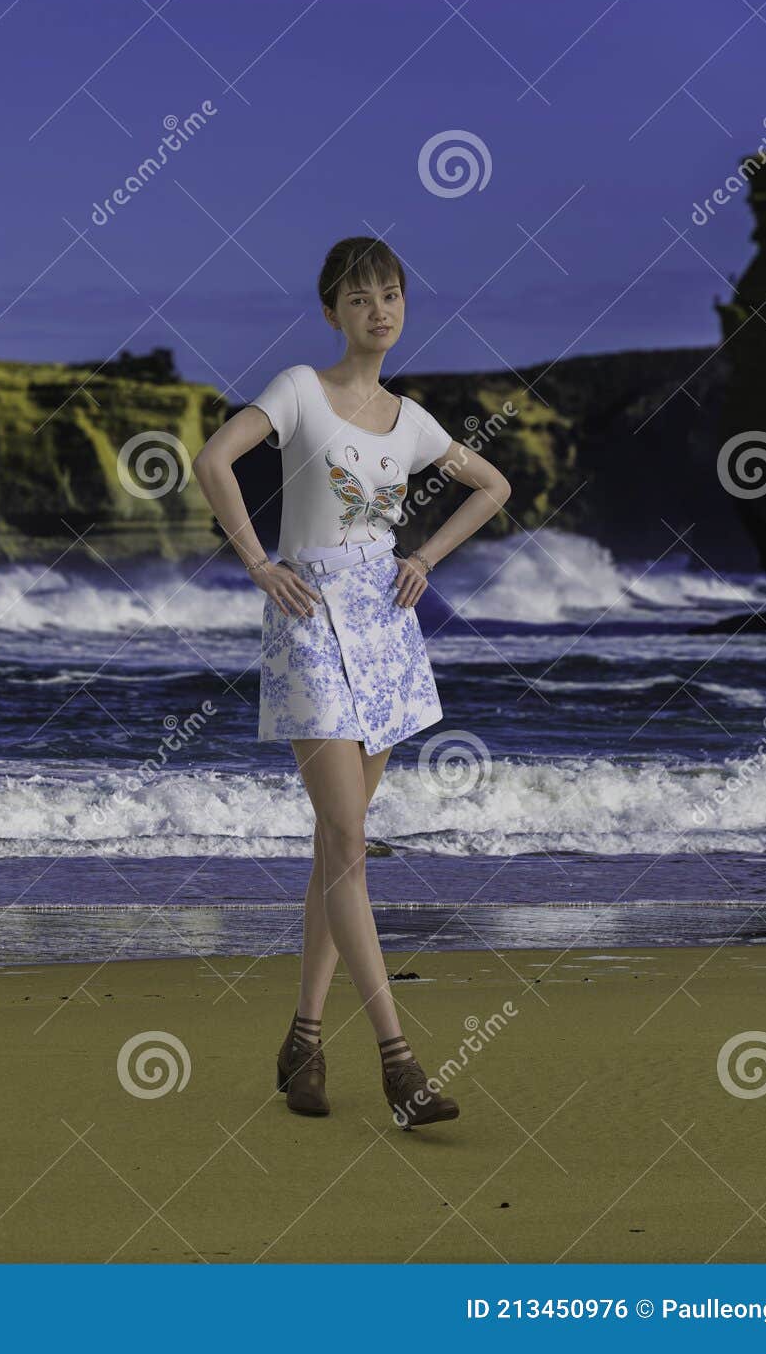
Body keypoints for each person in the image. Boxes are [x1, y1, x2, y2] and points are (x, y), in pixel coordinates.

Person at [193, 236, 511, 1130]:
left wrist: (427, 556)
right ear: (332, 310)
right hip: (306, 628)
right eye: (362, 296)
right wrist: (258, 562)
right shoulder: (301, 388)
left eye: (393, 295)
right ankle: (399, 1062)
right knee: (348, 839)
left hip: (386, 634)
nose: (381, 309)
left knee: (339, 850)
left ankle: (302, 1036)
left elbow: (492, 483)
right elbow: (215, 461)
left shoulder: (412, 420)